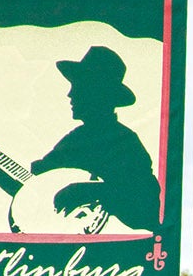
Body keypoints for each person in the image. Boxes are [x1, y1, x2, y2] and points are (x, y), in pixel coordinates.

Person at [32, 46, 161, 231]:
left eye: (78, 86)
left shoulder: (126, 143)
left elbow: (146, 206)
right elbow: (31, 186)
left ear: (98, 93)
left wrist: (90, 191)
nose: (70, 94)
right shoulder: (74, 139)